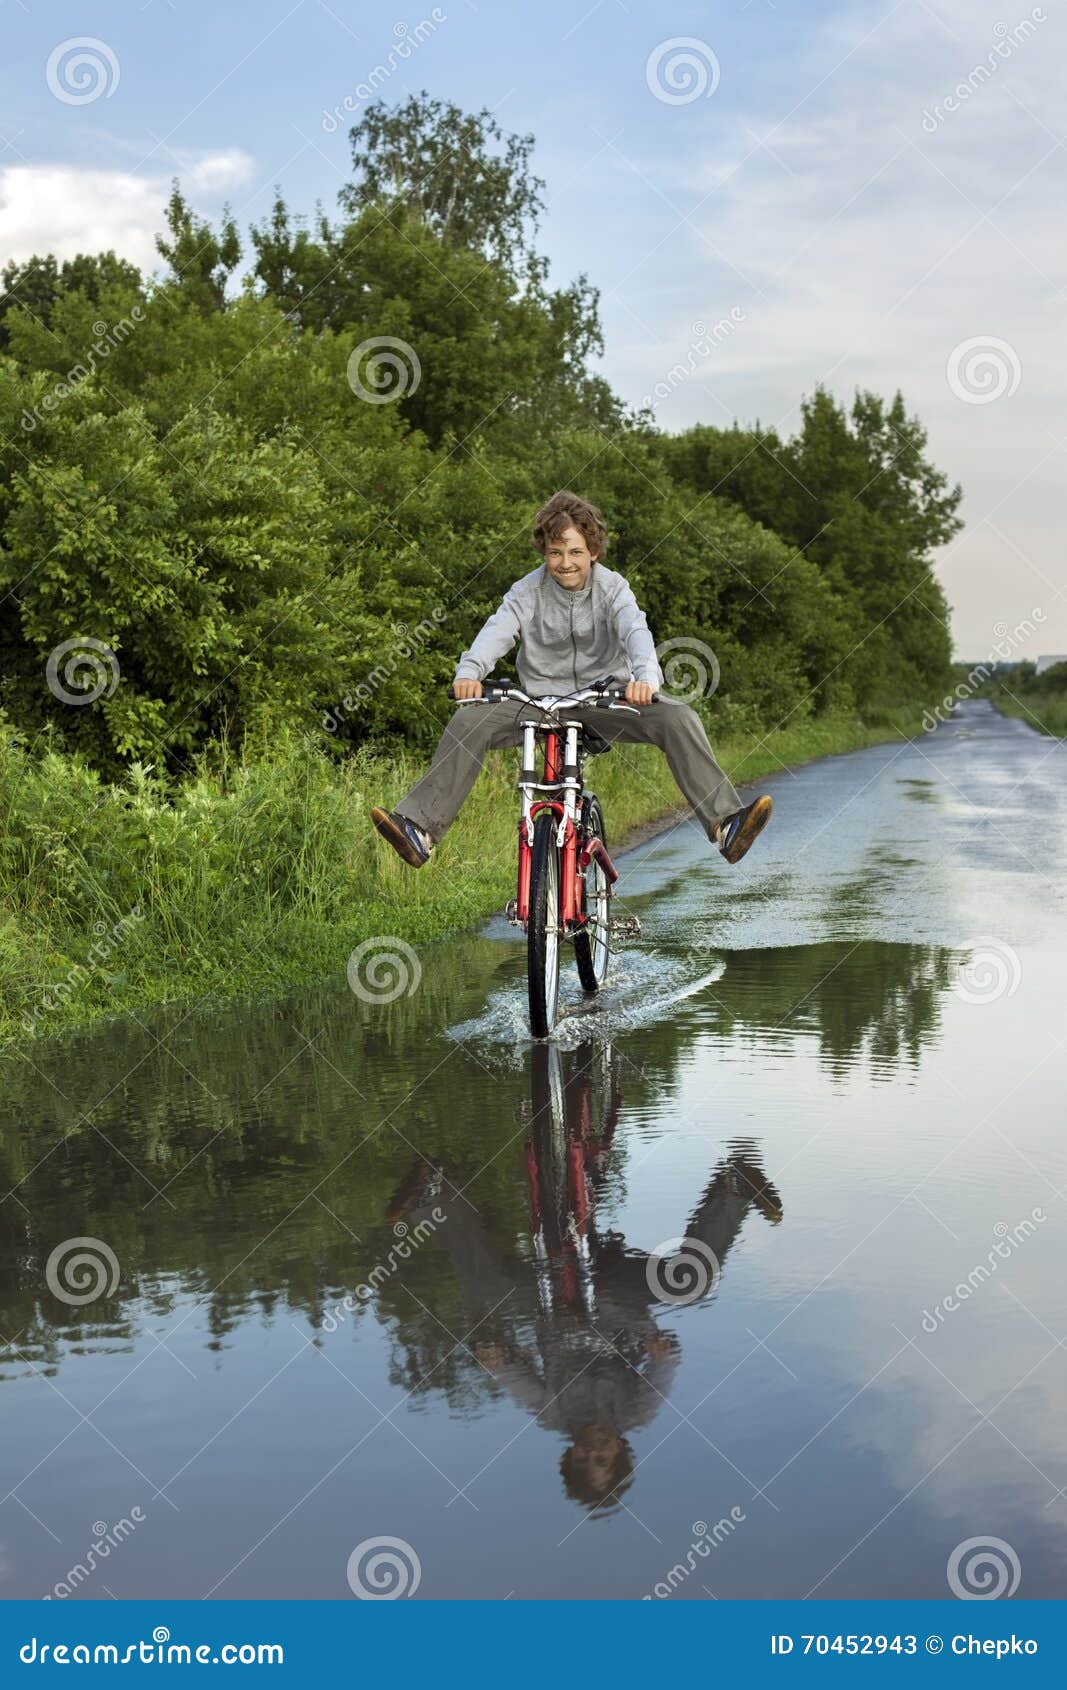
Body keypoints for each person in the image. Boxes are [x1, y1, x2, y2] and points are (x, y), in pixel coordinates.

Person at [371, 490, 772, 867]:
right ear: (544, 552)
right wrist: (470, 672)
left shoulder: (614, 588)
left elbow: (635, 630)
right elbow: (497, 630)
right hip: (539, 703)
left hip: (606, 701)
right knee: (466, 721)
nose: (566, 562)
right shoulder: (526, 591)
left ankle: (725, 825)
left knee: (678, 717)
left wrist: (646, 678)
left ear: (593, 551)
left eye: (576, 551)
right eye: (555, 552)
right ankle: (419, 829)